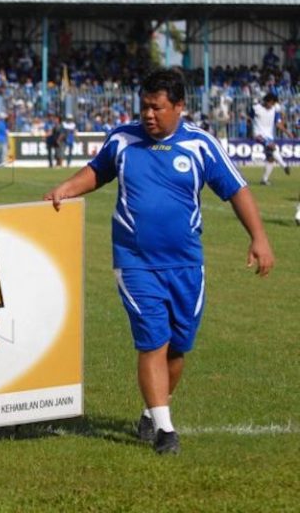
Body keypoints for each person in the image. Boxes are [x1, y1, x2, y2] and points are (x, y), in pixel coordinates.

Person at [43, 68, 274, 455]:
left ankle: (152, 412)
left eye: (157, 107)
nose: (148, 114)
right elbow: (97, 172)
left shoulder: (201, 145)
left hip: (186, 264)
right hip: (134, 262)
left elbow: (237, 190)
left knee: (178, 347)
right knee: (153, 341)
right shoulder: (122, 139)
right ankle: (166, 432)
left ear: (179, 107)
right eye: (144, 106)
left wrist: (260, 237)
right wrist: (66, 188)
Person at [249, 92, 293, 185]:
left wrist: (287, 132)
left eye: (273, 104)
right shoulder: (256, 108)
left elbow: (278, 124)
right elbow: (249, 119)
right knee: (272, 147)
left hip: (269, 136)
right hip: (258, 135)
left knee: (271, 158)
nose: (272, 105)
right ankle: (284, 166)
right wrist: (251, 131)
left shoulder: (274, 110)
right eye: (271, 103)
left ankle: (264, 180)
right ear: (267, 101)